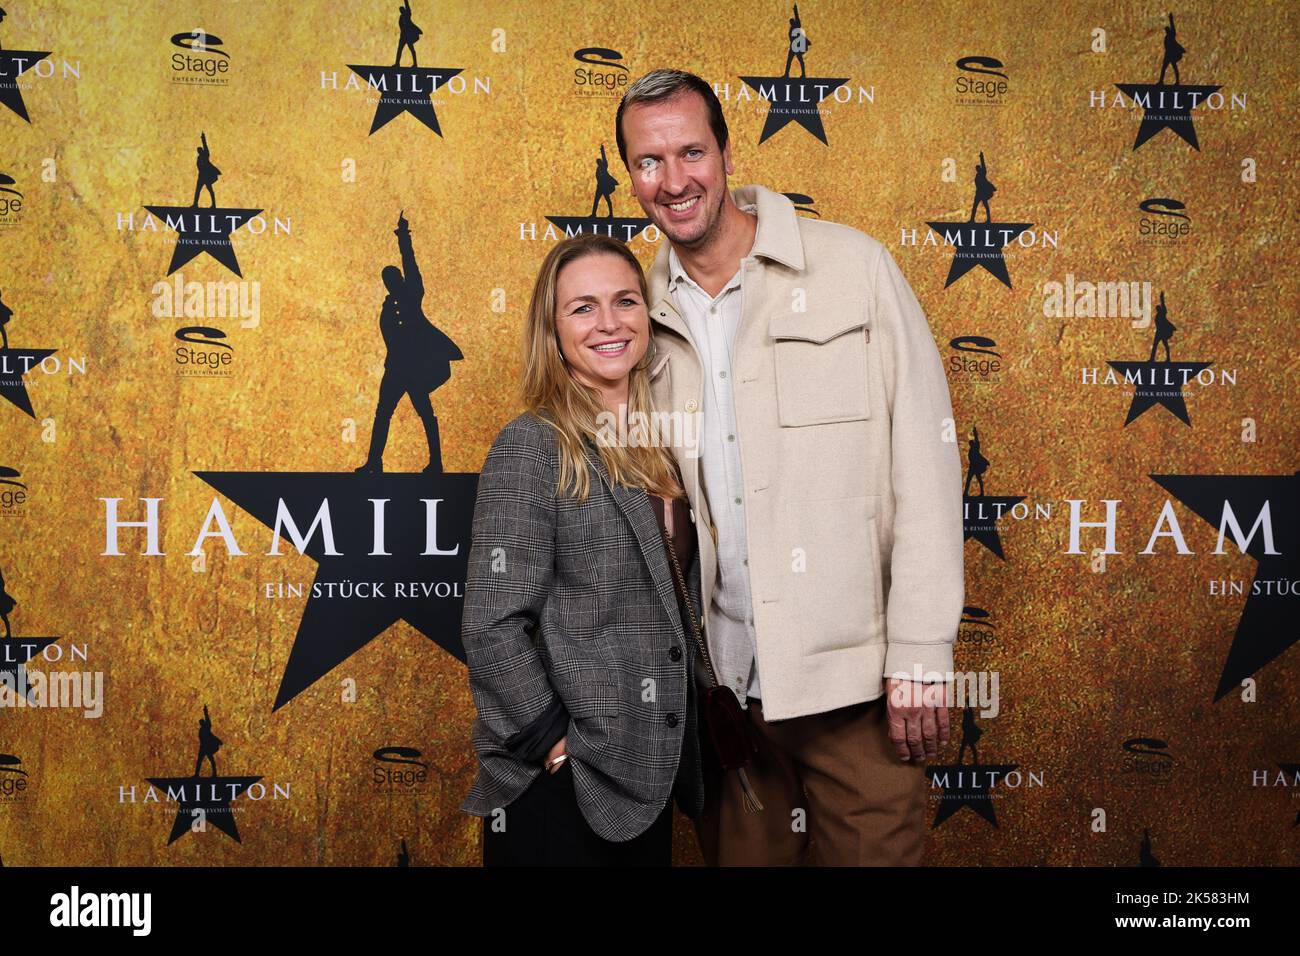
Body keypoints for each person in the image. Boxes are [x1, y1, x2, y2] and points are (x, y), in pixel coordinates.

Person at [614, 69, 964, 865]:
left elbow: (929, 467)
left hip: (860, 692)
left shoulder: (854, 269)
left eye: (691, 152)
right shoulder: (635, 312)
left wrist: (921, 652)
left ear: (728, 153)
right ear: (627, 175)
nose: (673, 181)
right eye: (648, 161)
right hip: (725, 703)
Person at [459, 233, 705, 866]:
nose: (608, 323)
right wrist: (553, 745)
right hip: (563, 784)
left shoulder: (669, 440)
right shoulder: (533, 445)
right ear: (553, 327)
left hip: (650, 775)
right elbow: (493, 625)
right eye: (583, 307)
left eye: (625, 301)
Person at [355, 212, 462, 474]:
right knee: (382, 414)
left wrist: (403, 235)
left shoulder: (412, 293)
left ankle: (436, 462)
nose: (391, 282)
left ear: (401, 279)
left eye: (394, 277)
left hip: (414, 368)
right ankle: (374, 462)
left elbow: (409, 261)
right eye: (387, 280)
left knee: (425, 413)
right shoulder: (388, 306)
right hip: (395, 368)